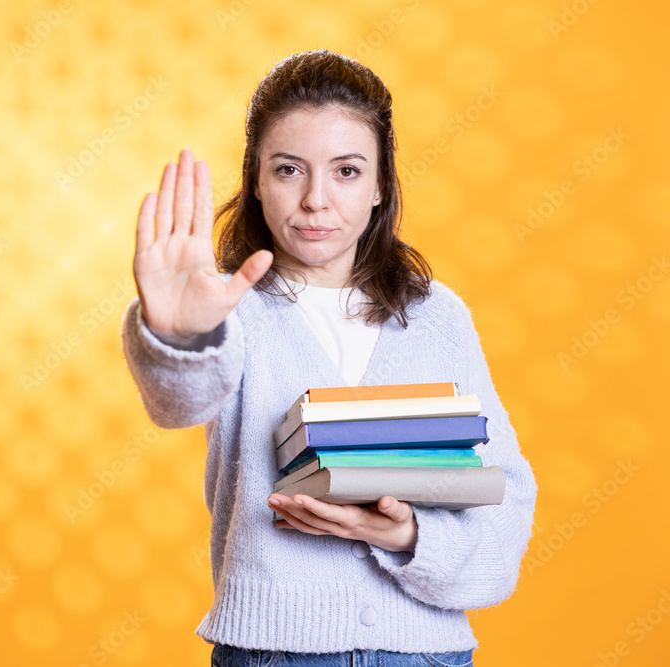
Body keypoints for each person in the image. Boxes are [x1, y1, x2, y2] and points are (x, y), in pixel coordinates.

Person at [120, 49, 537, 666]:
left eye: (346, 171)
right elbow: (179, 400)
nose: (316, 199)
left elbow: (503, 499)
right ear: (256, 182)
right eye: (289, 170)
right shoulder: (233, 310)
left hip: (425, 653)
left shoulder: (436, 316)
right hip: (276, 652)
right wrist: (178, 334)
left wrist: (408, 536)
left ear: (380, 187)